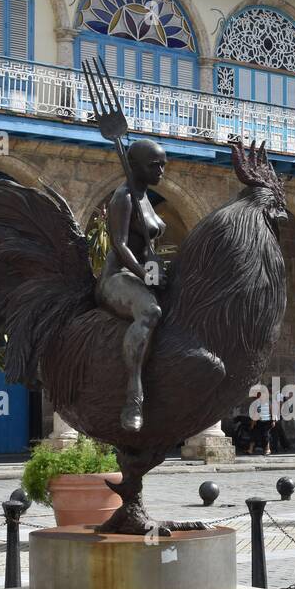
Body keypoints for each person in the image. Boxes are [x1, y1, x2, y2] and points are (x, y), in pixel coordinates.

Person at [98, 136, 170, 432]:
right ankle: (133, 398)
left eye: (163, 166)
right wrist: (145, 276)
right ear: (135, 166)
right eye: (155, 165)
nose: (161, 171)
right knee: (150, 311)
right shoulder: (124, 197)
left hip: (142, 272)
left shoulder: (145, 198)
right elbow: (120, 246)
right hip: (117, 279)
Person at [247, 387, 273, 455]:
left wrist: (273, 421)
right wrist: (253, 423)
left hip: (266, 422)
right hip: (258, 422)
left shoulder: (268, 403)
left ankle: (268, 449)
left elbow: (272, 412)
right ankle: (250, 449)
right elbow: (256, 413)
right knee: (253, 435)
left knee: (265, 435)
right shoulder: (257, 403)